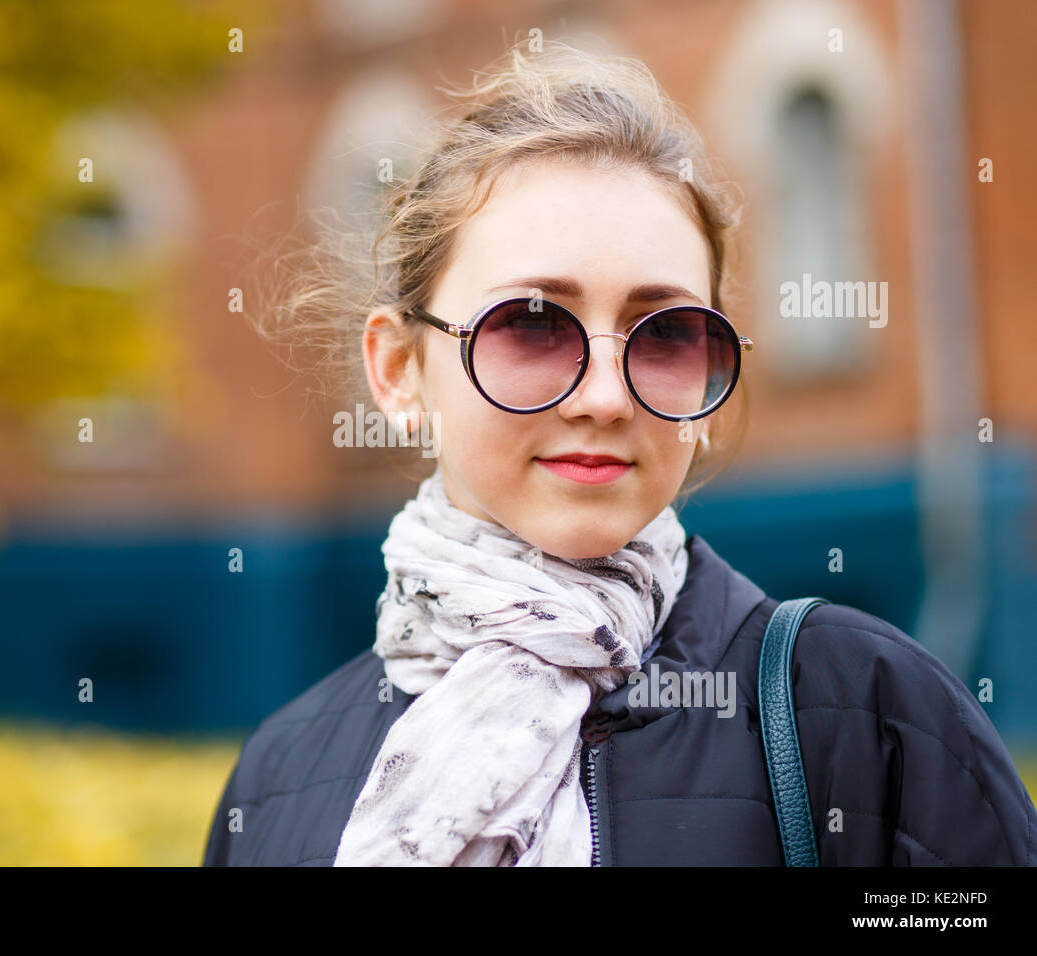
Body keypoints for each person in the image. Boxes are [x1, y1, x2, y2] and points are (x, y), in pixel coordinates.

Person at [202, 39, 1037, 866]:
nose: (605, 396)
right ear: (396, 370)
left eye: (667, 333)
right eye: (530, 323)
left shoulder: (870, 714)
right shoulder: (276, 778)